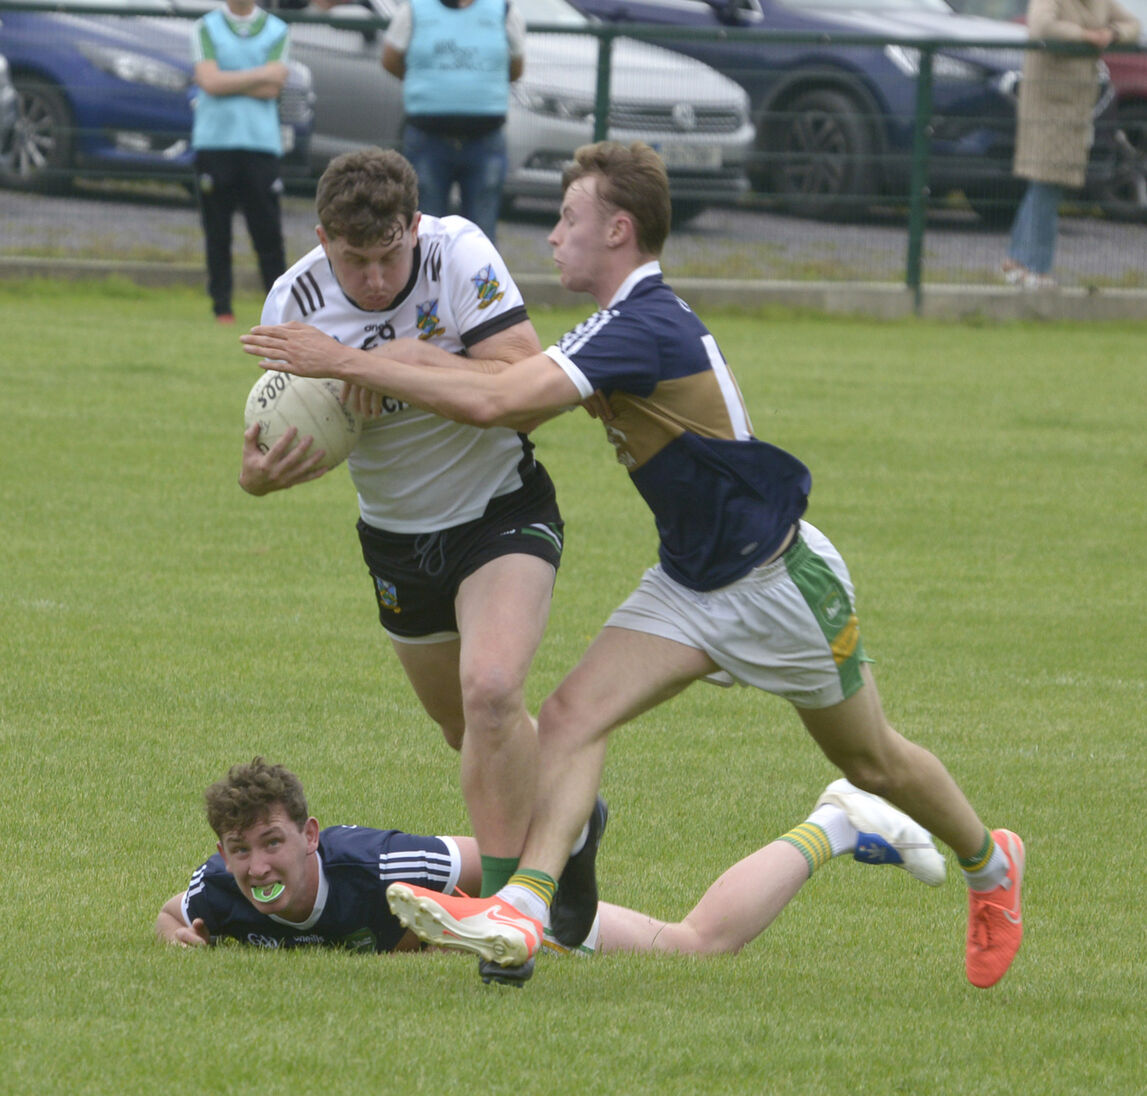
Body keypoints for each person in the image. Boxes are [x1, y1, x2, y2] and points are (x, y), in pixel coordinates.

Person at [240, 140, 1026, 992]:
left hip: (774, 580)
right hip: (688, 583)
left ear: (616, 229)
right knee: (572, 715)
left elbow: (505, 400)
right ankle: (521, 908)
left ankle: (991, 866)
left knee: (872, 759)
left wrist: (352, 360)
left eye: (567, 219)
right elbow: (491, 375)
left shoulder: (642, 324)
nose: (550, 238)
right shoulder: (611, 322)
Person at [236, 147, 567, 912]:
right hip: (395, 538)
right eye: (356, 261)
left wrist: (380, 361)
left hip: (500, 513)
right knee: (471, 735)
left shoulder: (457, 256)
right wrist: (260, 476)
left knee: (490, 693)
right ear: (323, 239)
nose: (377, 280)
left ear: (412, 227)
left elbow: (525, 384)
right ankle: (571, 824)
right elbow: (297, 432)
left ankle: (516, 907)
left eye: (390, 256)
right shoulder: (293, 301)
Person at [156, 758, 945, 962]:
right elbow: (172, 913)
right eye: (240, 849)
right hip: (480, 941)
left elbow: (494, 855)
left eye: (271, 843)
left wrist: (530, 912)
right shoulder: (221, 890)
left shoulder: (379, 866)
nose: (257, 865)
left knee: (696, 945)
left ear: (310, 835)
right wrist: (172, 934)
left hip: (510, 926)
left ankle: (834, 821)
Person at [1002, 0, 1139, 290]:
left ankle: (1017, 260)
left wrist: (1110, 35)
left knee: (1048, 185)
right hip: (1047, 101)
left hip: (1076, 105)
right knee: (1046, 184)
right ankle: (1035, 268)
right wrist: (1085, 35)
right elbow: (1042, 25)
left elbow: (1132, 25)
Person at [381, 0, 524, 245]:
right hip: (428, 139)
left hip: (485, 141)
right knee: (427, 231)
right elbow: (391, 58)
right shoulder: (415, 8)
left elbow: (515, 66)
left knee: (481, 236)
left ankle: (482, 296)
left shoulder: (503, 10)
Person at [191, 0, 290, 324]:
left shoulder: (278, 30)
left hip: (261, 144)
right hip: (214, 143)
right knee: (217, 233)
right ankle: (222, 308)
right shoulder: (206, 28)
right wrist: (256, 74)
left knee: (268, 233)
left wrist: (226, 79)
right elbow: (208, 81)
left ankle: (280, 310)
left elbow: (274, 87)